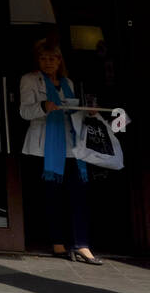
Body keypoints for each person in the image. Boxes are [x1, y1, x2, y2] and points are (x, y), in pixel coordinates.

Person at [20, 38, 101, 265]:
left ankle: (82, 244)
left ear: (59, 61)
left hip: (71, 145)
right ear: (37, 60)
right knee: (52, 197)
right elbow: (24, 112)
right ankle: (58, 243)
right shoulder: (30, 80)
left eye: (52, 58)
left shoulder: (68, 83)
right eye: (43, 58)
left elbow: (73, 113)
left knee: (78, 194)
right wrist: (43, 107)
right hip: (45, 146)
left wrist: (88, 113)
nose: (48, 63)